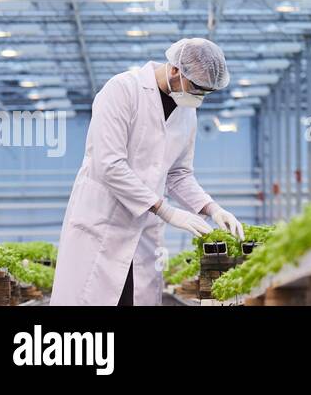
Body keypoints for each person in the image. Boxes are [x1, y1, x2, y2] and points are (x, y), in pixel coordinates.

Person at [50, 38, 245, 306]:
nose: (199, 97)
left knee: (138, 297)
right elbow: (108, 164)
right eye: (196, 88)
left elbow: (178, 175)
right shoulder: (122, 91)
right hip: (102, 222)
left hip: (143, 232)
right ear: (175, 69)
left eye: (205, 92)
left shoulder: (186, 113)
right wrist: (166, 210)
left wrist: (212, 209)